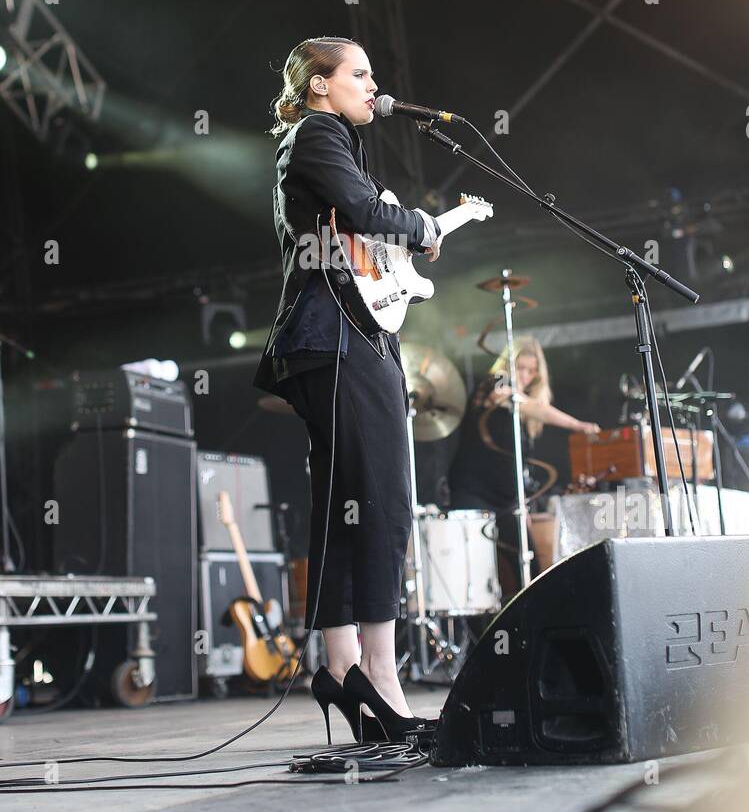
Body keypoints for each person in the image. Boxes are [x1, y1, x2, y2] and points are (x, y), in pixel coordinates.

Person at [253, 36, 443, 743]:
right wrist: (422, 224)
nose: (373, 85)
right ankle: (382, 675)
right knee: (385, 497)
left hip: (332, 335)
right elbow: (367, 213)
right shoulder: (318, 134)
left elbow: (352, 231)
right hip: (333, 336)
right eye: (359, 74)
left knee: (345, 504)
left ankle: (341, 666)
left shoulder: (323, 139)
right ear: (319, 86)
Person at [448, 339, 600, 597]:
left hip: (507, 499)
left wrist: (523, 500)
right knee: (473, 576)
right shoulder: (495, 383)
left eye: (532, 371)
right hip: (472, 491)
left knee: (527, 571)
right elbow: (531, 406)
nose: (526, 376)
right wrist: (578, 425)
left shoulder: (523, 409)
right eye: (521, 367)